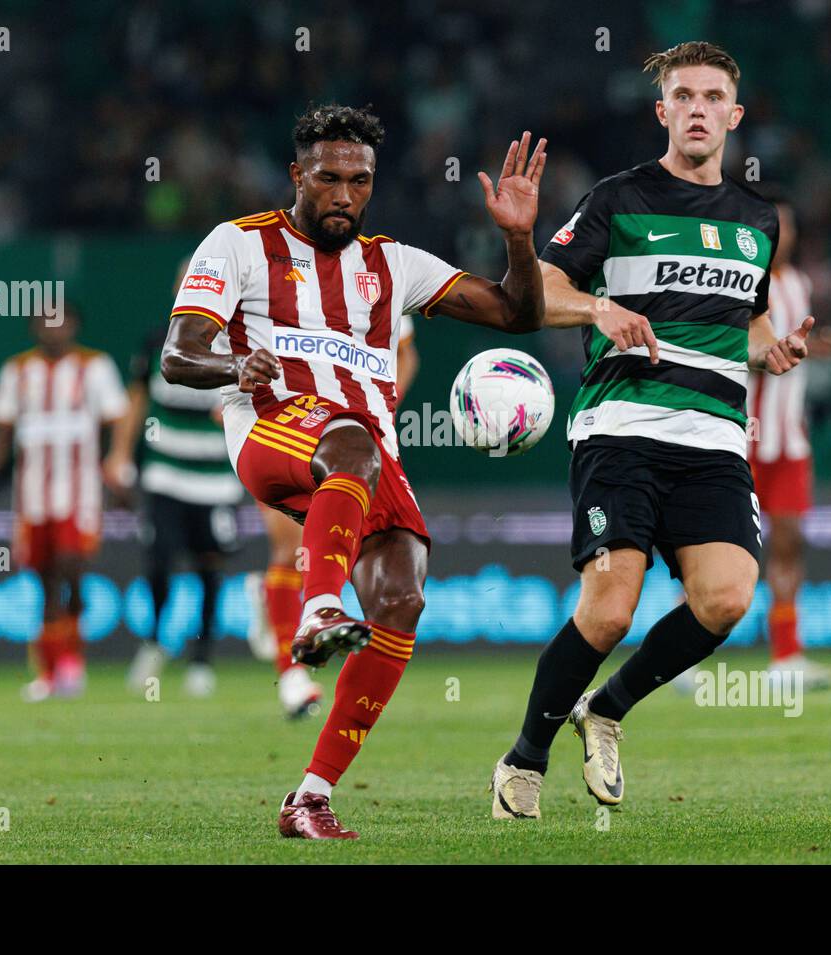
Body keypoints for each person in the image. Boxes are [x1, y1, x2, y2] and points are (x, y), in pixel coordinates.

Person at [160, 103, 547, 838]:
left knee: (402, 594)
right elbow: (178, 354)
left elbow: (514, 314)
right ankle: (316, 611)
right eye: (329, 178)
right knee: (351, 441)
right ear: (296, 174)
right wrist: (235, 364)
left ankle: (309, 795)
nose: (344, 195)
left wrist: (519, 240)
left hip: (366, 456)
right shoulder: (238, 244)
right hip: (275, 428)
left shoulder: (392, 263)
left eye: (359, 181)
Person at [491, 42, 815, 819]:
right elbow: (543, 290)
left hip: (714, 441)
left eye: (713, 97)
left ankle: (605, 709)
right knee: (607, 611)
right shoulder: (618, 199)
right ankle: (522, 758)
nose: (698, 108)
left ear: (733, 116)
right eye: (683, 95)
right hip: (622, 429)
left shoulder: (755, 220)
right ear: (662, 110)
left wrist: (770, 347)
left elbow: (747, 316)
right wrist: (596, 306)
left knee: (728, 599)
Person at [244, 315, 419, 718]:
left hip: (354, 429)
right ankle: (291, 676)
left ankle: (281, 601)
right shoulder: (265, 273)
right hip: (287, 422)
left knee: (349, 536)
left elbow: (407, 353)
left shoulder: (375, 268)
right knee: (290, 545)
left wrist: (383, 403)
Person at [0, 306, 128, 701]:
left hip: (80, 493)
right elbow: (1, 435)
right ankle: (50, 668)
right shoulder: (17, 370)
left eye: (61, 320)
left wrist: (117, 471)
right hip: (33, 497)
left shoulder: (96, 366)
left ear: (75, 324)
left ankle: (71, 662)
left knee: (70, 568)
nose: (52, 328)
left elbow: (117, 423)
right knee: (44, 580)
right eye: (44, 321)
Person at [110, 264, 246, 699]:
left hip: (216, 478)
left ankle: (202, 659)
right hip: (165, 470)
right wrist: (118, 454)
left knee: (210, 568)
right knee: (159, 561)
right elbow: (135, 401)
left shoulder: (239, 344)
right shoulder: (158, 342)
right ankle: (154, 641)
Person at [746, 200, 831, 688]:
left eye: (791, 227)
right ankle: (683, 658)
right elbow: (724, 349)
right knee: (720, 549)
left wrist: (812, 348)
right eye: (776, 228)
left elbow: (791, 346)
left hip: (790, 443)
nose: (786, 236)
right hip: (743, 439)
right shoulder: (737, 281)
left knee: (788, 544)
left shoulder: (799, 284)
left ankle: (786, 656)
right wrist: (771, 351)